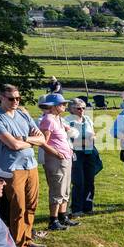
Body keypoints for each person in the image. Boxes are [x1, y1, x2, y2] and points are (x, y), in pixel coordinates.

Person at [0, 83, 46, 247]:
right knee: (18, 206)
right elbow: (12, 144)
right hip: (12, 168)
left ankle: (27, 238)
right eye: (11, 98)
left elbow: (41, 138)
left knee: (31, 204)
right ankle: (17, 245)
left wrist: (26, 139)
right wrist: (31, 141)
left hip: (31, 164)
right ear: (1, 98)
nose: (16, 101)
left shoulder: (22, 113)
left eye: (18, 98)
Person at [37, 93, 77, 233]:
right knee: (57, 188)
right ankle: (53, 220)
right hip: (56, 159)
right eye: (62, 104)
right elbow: (42, 141)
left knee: (65, 188)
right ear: (53, 106)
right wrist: (56, 153)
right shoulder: (47, 120)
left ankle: (62, 216)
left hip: (65, 157)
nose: (65, 106)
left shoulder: (58, 119)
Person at [65, 98, 101, 216]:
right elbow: (67, 139)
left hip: (89, 152)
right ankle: (76, 209)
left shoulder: (88, 119)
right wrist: (83, 141)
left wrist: (93, 137)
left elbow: (92, 133)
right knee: (78, 181)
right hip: (76, 153)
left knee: (90, 181)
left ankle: (88, 206)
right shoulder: (67, 120)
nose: (82, 110)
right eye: (78, 108)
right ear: (71, 109)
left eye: (84, 108)